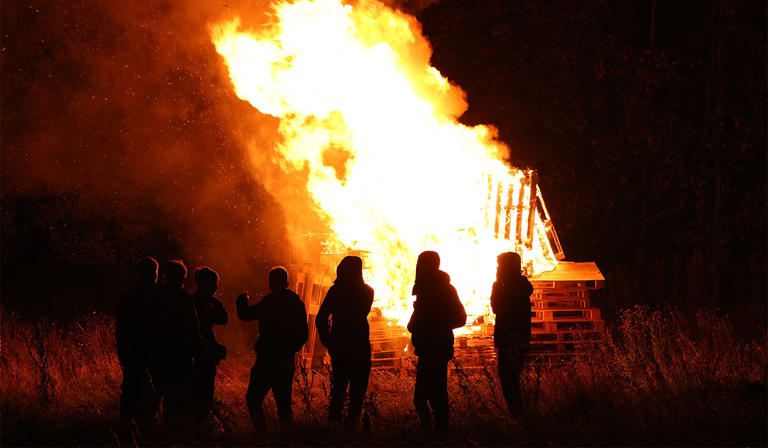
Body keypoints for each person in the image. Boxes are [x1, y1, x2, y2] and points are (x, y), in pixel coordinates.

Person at [237, 267, 308, 431]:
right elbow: (303, 334)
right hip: (284, 361)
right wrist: (289, 351)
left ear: (271, 283)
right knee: (284, 405)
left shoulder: (269, 301)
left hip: (267, 360)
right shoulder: (296, 303)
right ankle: (284, 439)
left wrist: (241, 301)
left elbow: (246, 314)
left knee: (253, 399)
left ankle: (262, 435)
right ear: (287, 283)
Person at [407, 251, 466, 431]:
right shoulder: (426, 289)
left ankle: (437, 432)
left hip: (435, 347)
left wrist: (434, 324)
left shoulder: (443, 289)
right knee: (432, 393)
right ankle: (436, 431)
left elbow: (460, 318)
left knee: (429, 395)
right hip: (431, 348)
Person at [315, 256, 374, 426]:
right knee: (358, 389)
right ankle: (352, 424)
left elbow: (321, 318)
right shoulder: (368, 292)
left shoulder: (336, 291)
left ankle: (334, 423)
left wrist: (327, 340)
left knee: (339, 387)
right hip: (360, 344)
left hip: (340, 344)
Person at [147, 259, 201, 425]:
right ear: (182, 279)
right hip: (179, 358)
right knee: (174, 404)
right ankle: (170, 435)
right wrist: (200, 355)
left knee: (153, 400)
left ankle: (147, 434)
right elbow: (193, 330)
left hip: (156, 357)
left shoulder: (154, 295)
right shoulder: (183, 299)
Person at [116, 257, 160, 427]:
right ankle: (142, 424)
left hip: (135, 352)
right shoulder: (155, 296)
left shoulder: (130, 296)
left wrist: (122, 352)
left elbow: (121, 329)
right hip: (145, 352)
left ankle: (130, 424)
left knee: (132, 391)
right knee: (145, 392)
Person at [491, 252, 533, 415]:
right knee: (512, 375)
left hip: (510, 337)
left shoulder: (506, 286)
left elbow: (497, 307)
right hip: (519, 336)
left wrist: (497, 286)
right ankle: (518, 412)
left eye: (500, 265)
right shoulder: (521, 285)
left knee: (508, 376)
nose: (497, 268)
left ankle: (517, 413)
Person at [189, 267, 228, 421]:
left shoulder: (209, 302)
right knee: (196, 393)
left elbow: (223, 318)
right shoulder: (192, 303)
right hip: (196, 355)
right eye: (213, 284)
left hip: (207, 355)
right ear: (204, 284)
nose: (216, 288)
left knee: (206, 394)